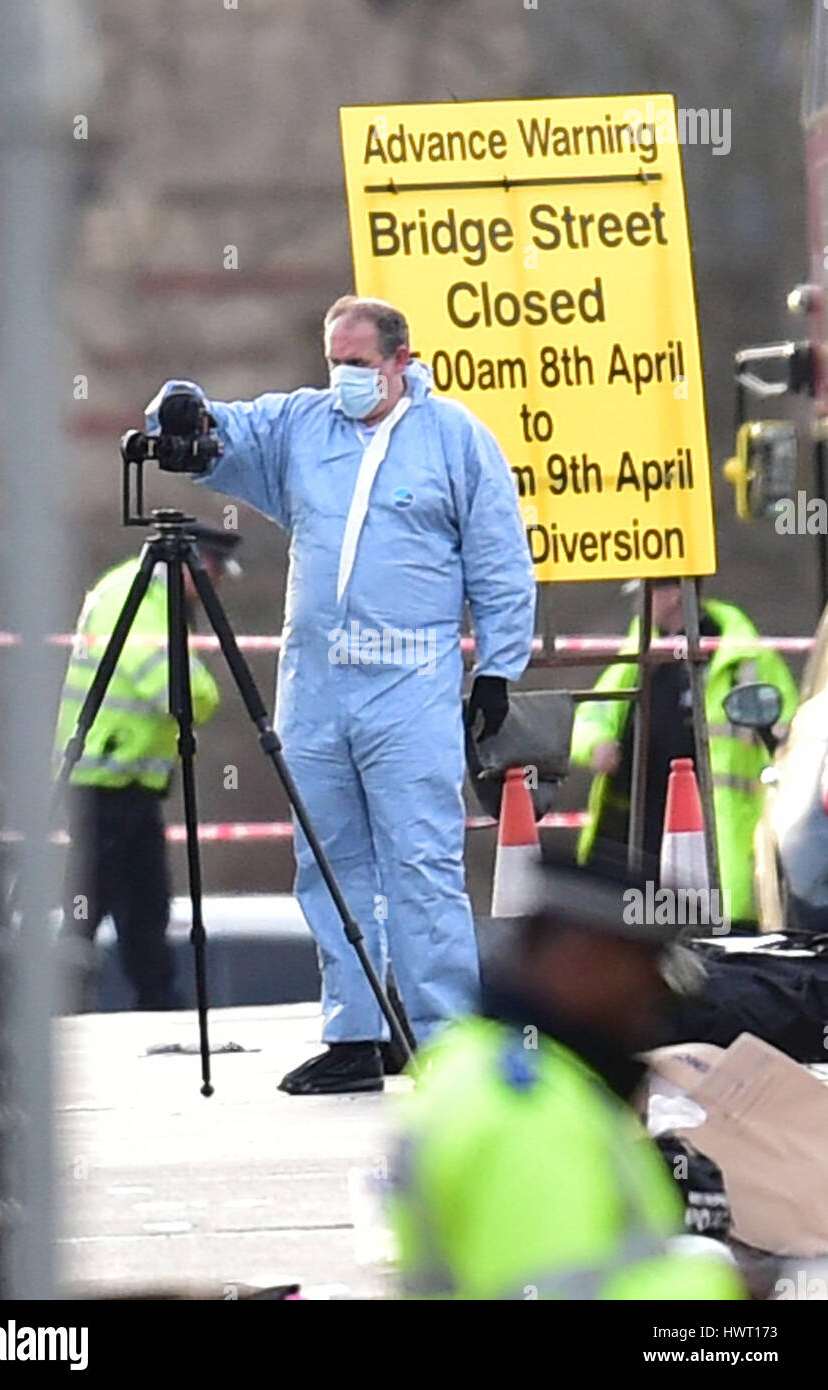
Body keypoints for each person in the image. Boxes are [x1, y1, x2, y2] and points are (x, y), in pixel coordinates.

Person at [146, 295, 535, 1093]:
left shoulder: (454, 441)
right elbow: (224, 430)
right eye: (334, 362)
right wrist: (177, 409)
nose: (343, 378)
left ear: (400, 360)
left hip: (408, 681)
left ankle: (446, 1040)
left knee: (419, 861)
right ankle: (354, 1034)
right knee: (326, 860)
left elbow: (498, 558)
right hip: (317, 682)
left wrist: (497, 667)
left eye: (357, 364)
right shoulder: (305, 427)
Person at [389, 859, 745, 1300]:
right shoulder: (527, 1111)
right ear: (585, 961)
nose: (653, 1001)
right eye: (643, 970)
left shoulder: (480, 1059)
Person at [54, 525, 237, 1011]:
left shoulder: (151, 599)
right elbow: (177, 690)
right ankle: (66, 1000)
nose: (212, 583)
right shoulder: (133, 597)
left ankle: (151, 998)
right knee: (98, 899)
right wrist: (207, 693)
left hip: (128, 778)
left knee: (137, 900)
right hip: (106, 776)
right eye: (211, 571)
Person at [571, 579, 797, 927]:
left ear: (675, 593)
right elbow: (594, 712)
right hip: (641, 831)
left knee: (716, 942)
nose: (637, 605)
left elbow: (789, 740)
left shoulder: (743, 654)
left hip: (720, 835)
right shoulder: (641, 647)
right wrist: (595, 744)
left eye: (645, 593)